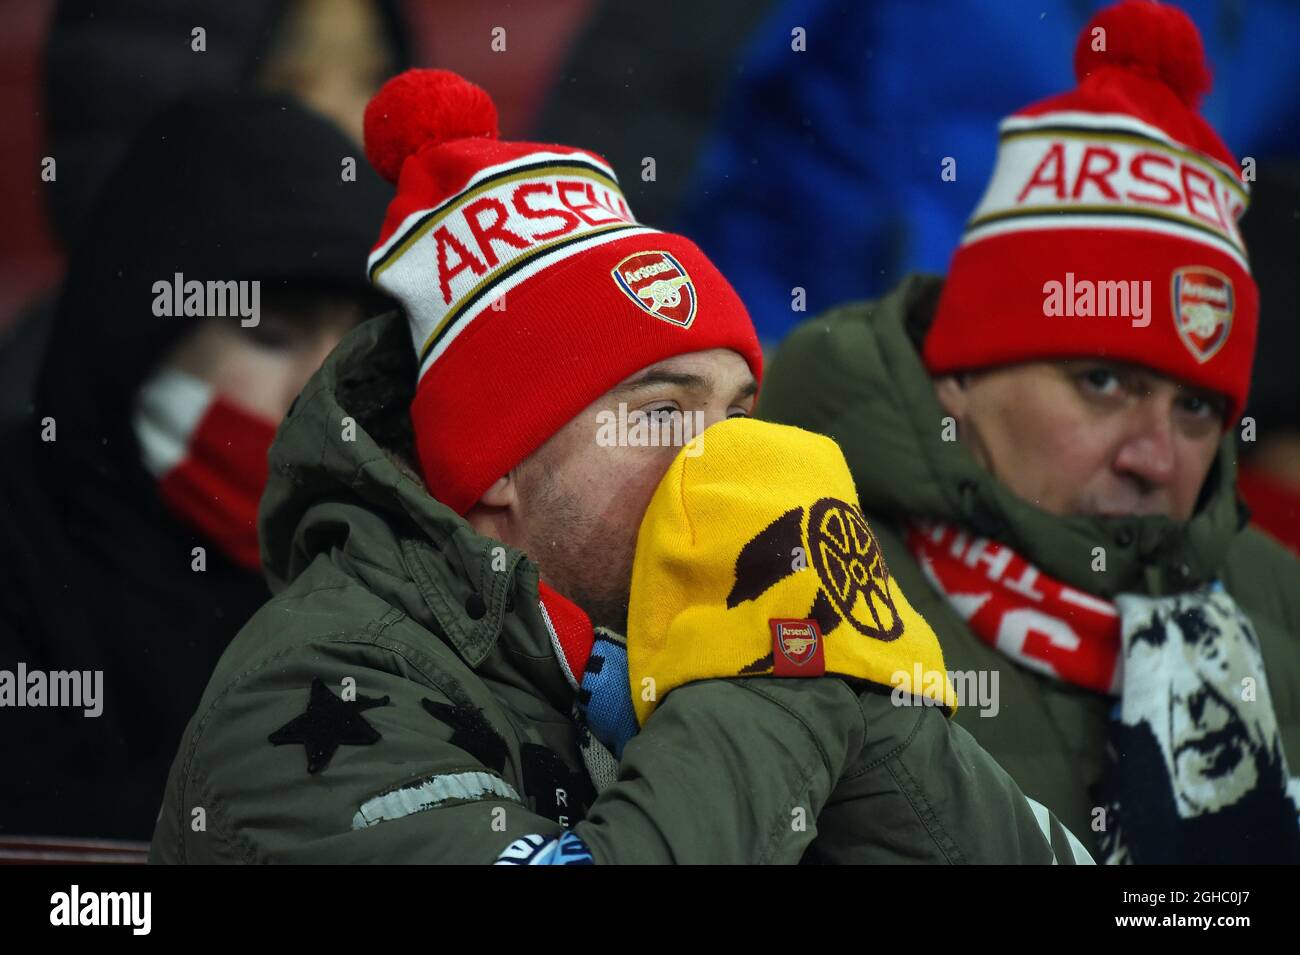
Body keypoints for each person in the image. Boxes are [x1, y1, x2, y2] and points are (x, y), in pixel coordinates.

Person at [150, 69, 1089, 864]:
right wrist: (771, 663)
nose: (724, 457)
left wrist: (840, 660)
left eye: (739, 411)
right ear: (498, 466)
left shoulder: (709, 636)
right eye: (662, 413)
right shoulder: (317, 682)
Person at [758, 0, 1300, 863]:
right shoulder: (793, 599)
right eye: (1101, 382)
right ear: (961, 376)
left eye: (1196, 408)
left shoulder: (1277, 606)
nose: (1153, 458)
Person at [0, 92, 392, 842]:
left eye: (360, 352)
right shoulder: (18, 542)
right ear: (131, 339)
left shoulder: (410, 567)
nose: (321, 396)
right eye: (271, 335)